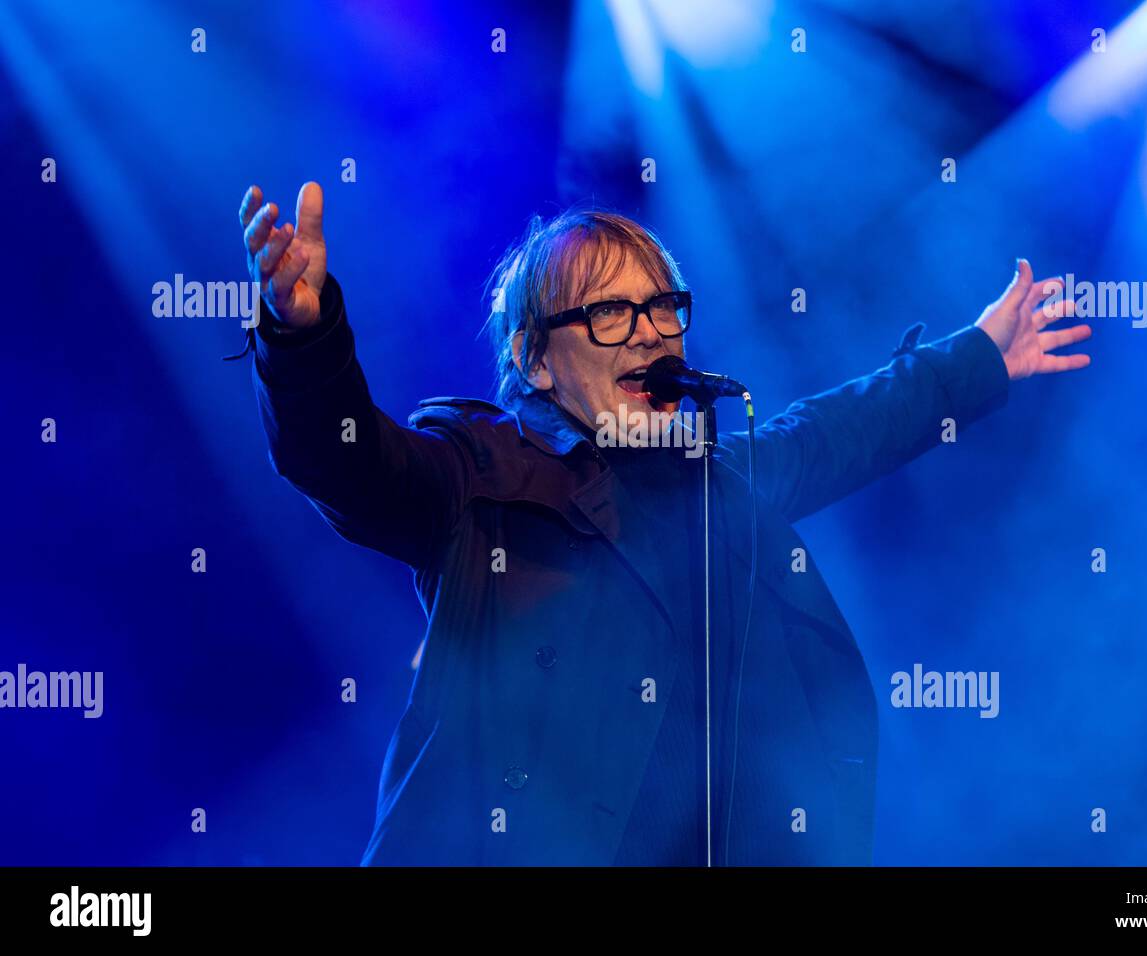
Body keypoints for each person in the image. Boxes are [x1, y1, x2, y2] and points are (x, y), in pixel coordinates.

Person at [238, 181, 1090, 865]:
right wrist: (302, 338)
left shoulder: (716, 481)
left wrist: (979, 353)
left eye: (663, 307)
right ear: (536, 359)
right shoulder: (476, 475)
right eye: (609, 314)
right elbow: (339, 460)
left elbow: (839, 431)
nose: (650, 335)